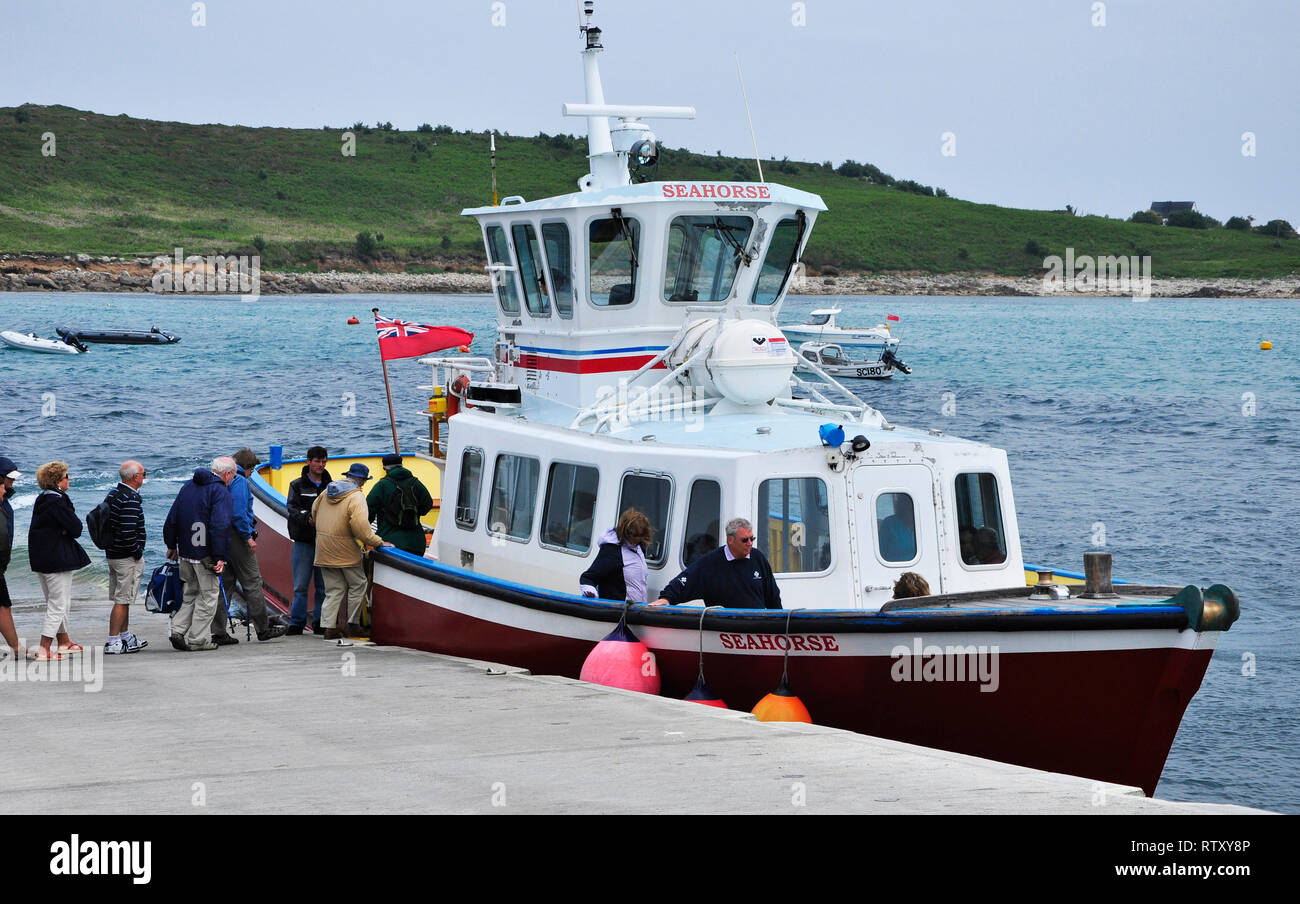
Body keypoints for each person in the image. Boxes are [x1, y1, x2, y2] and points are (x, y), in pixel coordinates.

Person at [209, 448, 286, 644]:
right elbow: (237, 513)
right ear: (248, 468)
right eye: (252, 471)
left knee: (224, 587)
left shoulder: (218, 480)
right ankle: (263, 628)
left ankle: (218, 631)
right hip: (237, 538)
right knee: (252, 583)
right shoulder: (241, 481)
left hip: (220, 538)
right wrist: (247, 536)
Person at [313, 463, 393, 642]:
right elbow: (361, 528)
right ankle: (353, 624)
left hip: (323, 548)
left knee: (333, 590)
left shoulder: (326, 492)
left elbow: (314, 512)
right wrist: (378, 542)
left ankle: (328, 627)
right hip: (346, 550)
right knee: (358, 584)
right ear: (362, 481)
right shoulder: (356, 497)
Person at [163, 457, 235, 652]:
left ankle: (177, 630)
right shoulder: (220, 491)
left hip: (186, 551)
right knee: (209, 596)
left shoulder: (188, 486)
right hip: (205, 555)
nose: (231, 480)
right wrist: (220, 556)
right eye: (233, 476)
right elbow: (220, 525)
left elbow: (173, 516)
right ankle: (198, 639)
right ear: (227, 474)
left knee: (190, 593)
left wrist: (171, 544)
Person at [28, 461, 92, 660]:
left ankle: (64, 641)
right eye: (66, 476)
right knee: (58, 604)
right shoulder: (57, 502)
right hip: (57, 559)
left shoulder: (42, 500)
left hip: (41, 558)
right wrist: (65, 530)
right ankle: (44, 648)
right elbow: (76, 528)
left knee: (56, 602)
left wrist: (63, 530)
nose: (69, 479)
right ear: (57, 481)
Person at [651, 517, 782, 609]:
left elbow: (773, 596)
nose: (750, 543)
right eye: (744, 540)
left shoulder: (758, 558)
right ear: (730, 540)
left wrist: (781, 623)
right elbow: (683, 581)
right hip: (725, 632)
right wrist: (667, 598)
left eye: (752, 538)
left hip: (758, 630)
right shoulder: (710, 564)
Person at [103, 460, 149, 654]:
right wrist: (137, 552)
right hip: (126, 556)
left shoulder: (114, 493)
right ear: (135, 477)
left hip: (113, 553)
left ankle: (125, 636)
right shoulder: (129, 498)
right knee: (122, 599)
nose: (144, 477)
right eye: (143, 474)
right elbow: (128, 530)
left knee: (125, 597)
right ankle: (113, 641)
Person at [285, 446, 332, 635]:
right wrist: (307, 518)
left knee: (323, 586)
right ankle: (297, 623)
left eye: (323, 461)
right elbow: (292, 508)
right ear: (308, 461)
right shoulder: (296, 485)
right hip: (304, 542)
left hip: (324, 542)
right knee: (300, 586)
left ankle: (319, 622)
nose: (321, 465)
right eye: (317, 461)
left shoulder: (331, 486)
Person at [366, 453, 434, 557]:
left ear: (385, 468)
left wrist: (364, 532)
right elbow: (427, 505)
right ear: (401, 465)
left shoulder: (382, 485)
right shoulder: (415, 483)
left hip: (389, 542)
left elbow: (368, 510)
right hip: (417, 543)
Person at [579, 508, 651, 603]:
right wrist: (591, 593)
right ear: (626, 531)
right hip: (618, 612)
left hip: (636, 610)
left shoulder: (639, 547)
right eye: (635, 535)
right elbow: (588, 578)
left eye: (641, 535)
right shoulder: (613, 551)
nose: (638, 539)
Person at [0, 456, 22, 657]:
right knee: (3, 605)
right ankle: (16, 649)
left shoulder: (5, 501)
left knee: (4, 605)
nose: (12, 482)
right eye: (9, 479)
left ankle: (16, 648)